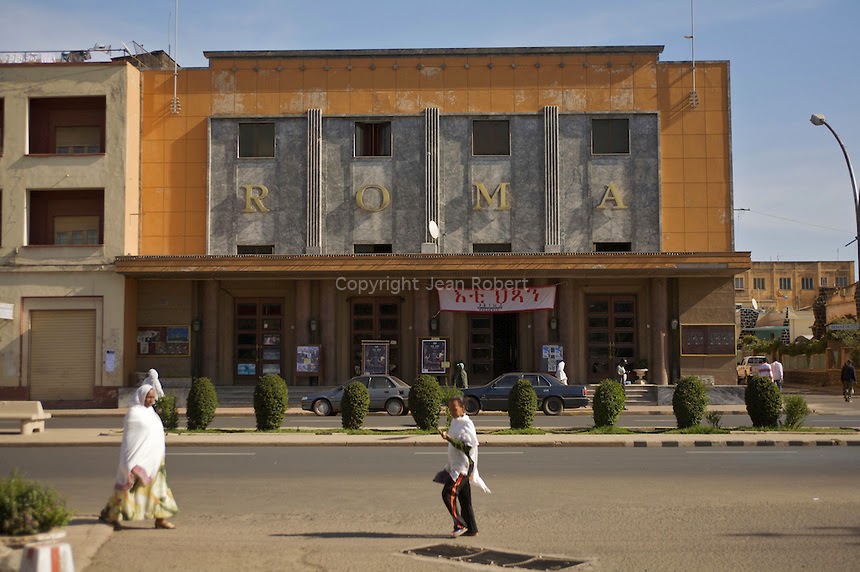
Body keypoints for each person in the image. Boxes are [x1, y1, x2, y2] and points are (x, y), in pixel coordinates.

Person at [99, 384, 178, 529]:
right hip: (137, 461)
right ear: (141, 396)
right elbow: (131, 439)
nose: (150, 400)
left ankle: (160, 519)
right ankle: (110, 514)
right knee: (127, 490)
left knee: (158, 490)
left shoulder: (151, 413)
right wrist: (130, 463)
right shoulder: (134, 413)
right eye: (148, 397)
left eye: (153, 398)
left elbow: (155, 434)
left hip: (154, 460)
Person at [438, 396, 490, 538]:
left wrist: (449, 439)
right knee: (464, 499)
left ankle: (460, 525)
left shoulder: (466, 424)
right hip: (456, 465)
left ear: (462, 408)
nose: (452, 412)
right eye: (450, 409)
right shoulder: (456, 422)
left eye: (454, 409)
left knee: (448, 493)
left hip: (463, 467)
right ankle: (472, 529)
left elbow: (467, 447)